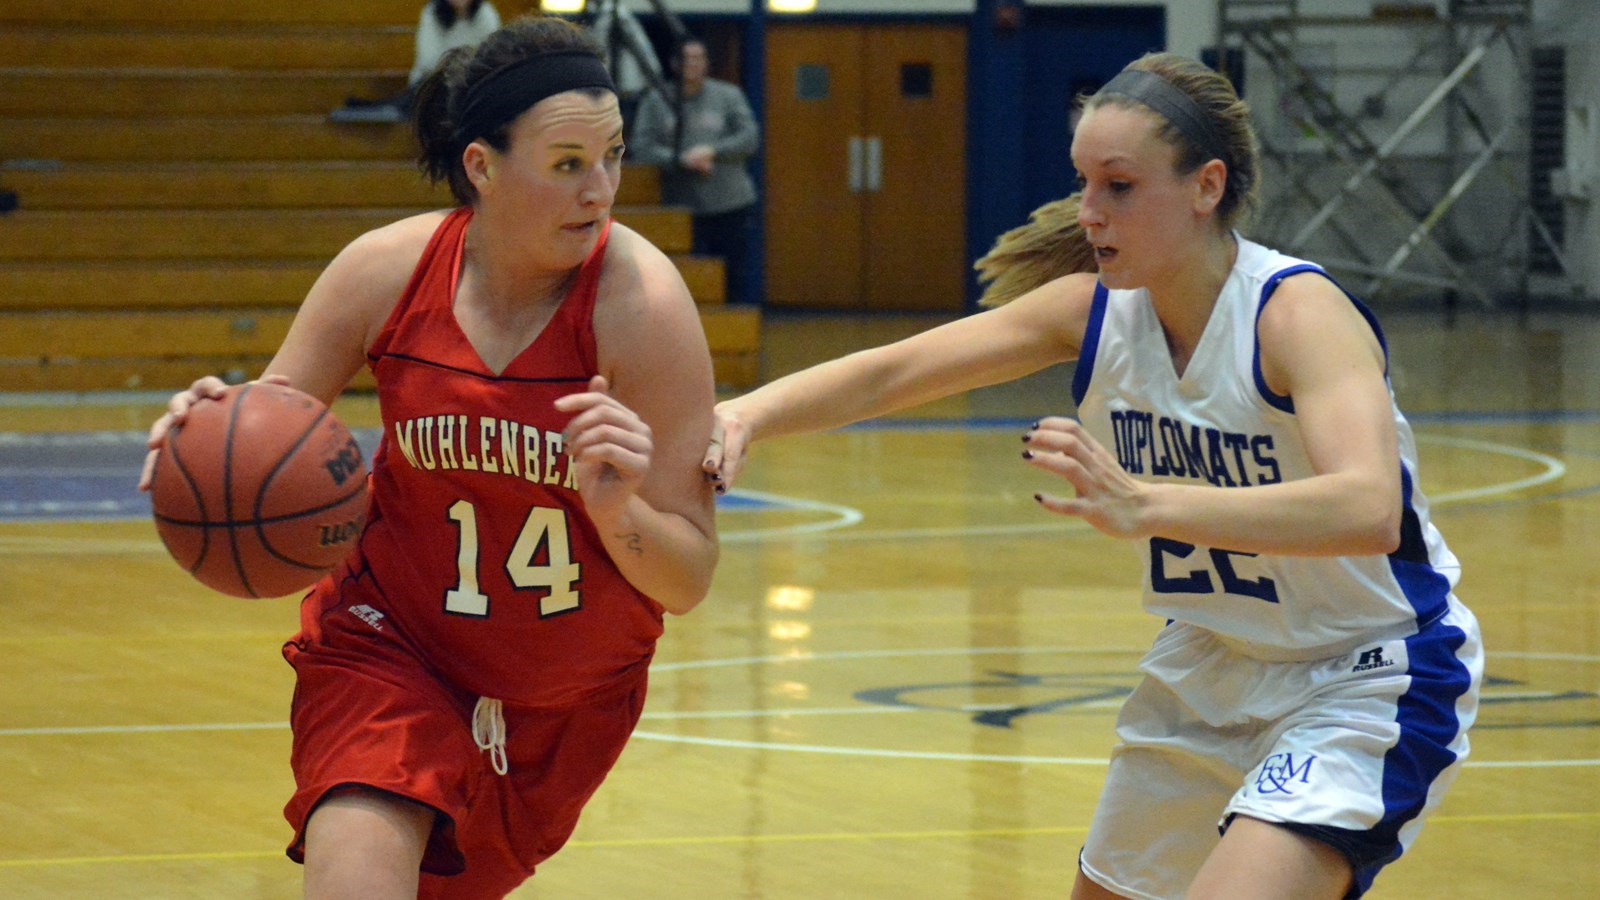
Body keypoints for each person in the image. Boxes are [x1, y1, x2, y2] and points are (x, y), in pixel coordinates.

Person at [703, 52, 1482, 900]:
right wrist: (745, 414)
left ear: (1206, 186)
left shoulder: (1296, 315)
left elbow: (1368, 507)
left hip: (1367, 670)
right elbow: (891, 374)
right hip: (1209, 661)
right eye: (1083, 184)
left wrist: (1149, 503)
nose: (1088, 213)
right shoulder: (1095, 312)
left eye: (1119, 186)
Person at [141, 16, 719, 899]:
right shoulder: (384, 273)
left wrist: (618, 511)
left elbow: (688, 577)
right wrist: (209, 429)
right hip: (391, 648)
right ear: (482, 166)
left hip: (563, 701)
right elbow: (267, 429)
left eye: (612, 155)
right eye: (568, 163)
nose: (601, 189)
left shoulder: (643, 307)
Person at [629, 38, 761, 304]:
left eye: (699, 58)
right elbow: (641, 146)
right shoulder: (656, 99)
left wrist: (712, 151)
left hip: (730, 203)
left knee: (734, 277)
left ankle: (735, 326)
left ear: (707, 63)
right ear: (674, 64)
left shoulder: (728, 95)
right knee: (682, 280)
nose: (693, 64)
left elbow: (749, 138)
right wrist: (680, 159)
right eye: (687, 59)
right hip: (680, 206)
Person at [331, 0, 501, 123]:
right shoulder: (432, 12)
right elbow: (428, 60)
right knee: (428, 89)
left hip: (471, 84)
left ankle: (384, 107)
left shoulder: (486, 13)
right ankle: (379, 108)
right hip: (434, 81)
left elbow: (491, 56)